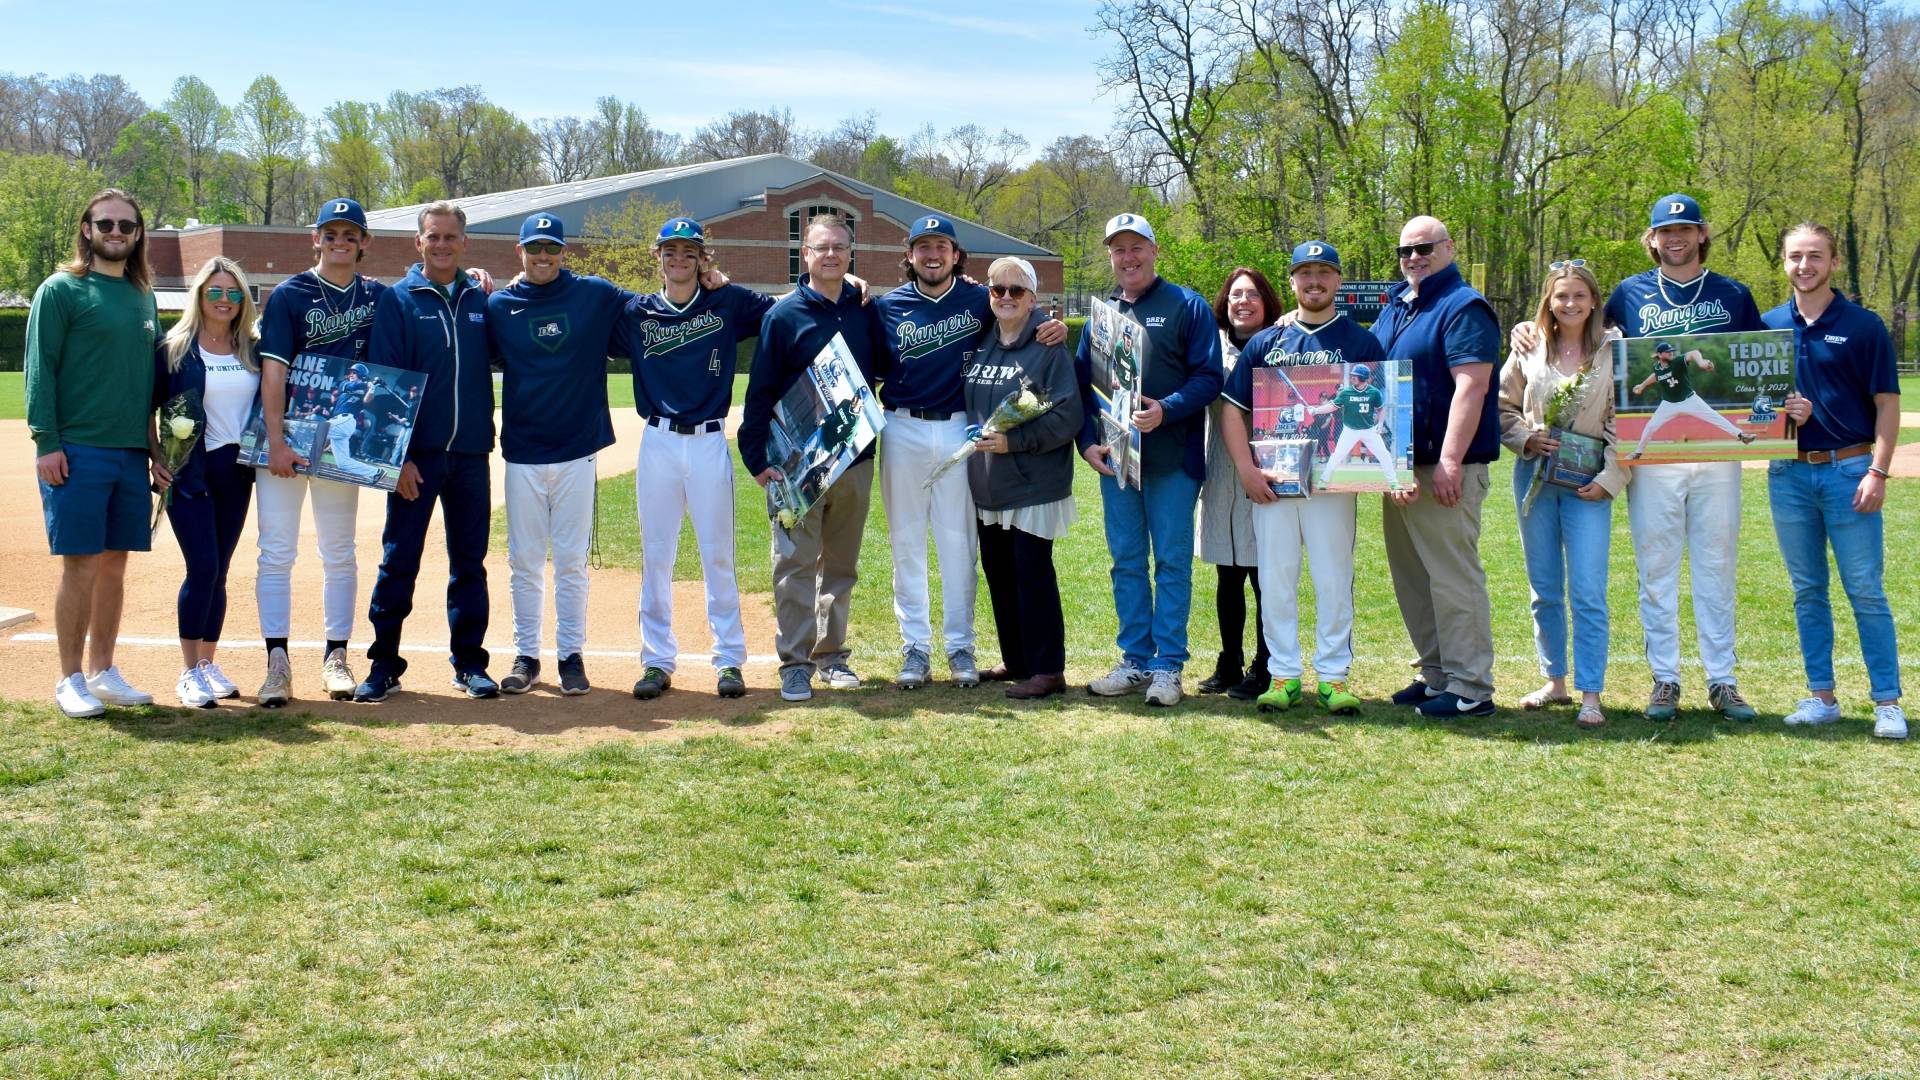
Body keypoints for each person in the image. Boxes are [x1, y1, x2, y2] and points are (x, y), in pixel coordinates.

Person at [1511, 193, 1761, 722]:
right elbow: (1578, 328)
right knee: (1656, 568)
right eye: (1665, 231)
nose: (1675, 238)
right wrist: (1526, 327)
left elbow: (1761, 362)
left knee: (1717, 565)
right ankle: (1665, 679)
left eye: (1685, 230)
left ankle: (1723, 680)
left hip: (1717, 455)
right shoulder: (1629, 294)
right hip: (1651, 459)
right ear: (1652, 239)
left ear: (1701, 234)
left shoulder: (1734, 294)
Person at [871, 214, 1067, 690]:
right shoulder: (885, 306)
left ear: (956, 255)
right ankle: (915, 647)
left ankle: (961, 645)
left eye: (942, 246)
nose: (932, 254)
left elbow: (1018, 306)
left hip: (961, 427)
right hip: (902, 426)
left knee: (959, 542)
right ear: (909, 255)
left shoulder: (980, 298)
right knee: (906, 543)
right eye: (923, 246)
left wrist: (1052, 325)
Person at [617, 216, 780, 701]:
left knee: (718, 554)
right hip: (658, 441)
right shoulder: (636, 311)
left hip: (709, 440)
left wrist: (842, 279)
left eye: (689, 252)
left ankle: (728, 659)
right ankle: (656, 660)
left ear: (702, 258)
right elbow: (577, 301)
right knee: (656, 555)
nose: (679, 259)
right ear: (658, 257)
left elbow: (785, 311)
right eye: (670, 251)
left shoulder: (726, 302)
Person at [737, 213, 892, 702]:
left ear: (850, 254)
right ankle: (795, 663)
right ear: (805, 254)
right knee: (794, 564)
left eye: (839, 247)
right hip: (796, 465)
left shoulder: (867, 311)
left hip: (855, 459)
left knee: (841, 566)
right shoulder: (783, 316)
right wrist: (755, 456)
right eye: (821, 247)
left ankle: (831, 655)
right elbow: (760, 391)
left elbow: (886, 369)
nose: (830, 255)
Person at [1217, 242, 1375, 717]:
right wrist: (1246, 470)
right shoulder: (1268, 342)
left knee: (1333, 577)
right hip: (1276, 482)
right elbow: (1232, 410)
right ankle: (1283, 674)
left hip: (1333, 481)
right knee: (1276, 578)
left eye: (1323, 271)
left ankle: (1333, 676)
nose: (1314, 281)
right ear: (1292, 281)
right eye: (1305, 272)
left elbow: (1384, 408)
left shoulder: (1361, 342)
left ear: (1338, 280)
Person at [1074, 213, 1223, 707]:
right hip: (1117, 460)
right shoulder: (1101, 315)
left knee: (1172, 563)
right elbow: (1080, 386)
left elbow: (1209, 377)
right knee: (1127, 561)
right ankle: (1135, 659)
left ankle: (1168, 666)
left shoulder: (1186, 305)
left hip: (1171, 460)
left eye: (1136, 247)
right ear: (1110, 256)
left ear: (1154, 251)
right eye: (1118, 249)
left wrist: (1167, 409)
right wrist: (1086, 442)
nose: (1128, 257)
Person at [1763, 222, 1905, 739]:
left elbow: (1887, 404)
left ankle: (1887, 702)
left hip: (1850, 472)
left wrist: (1877, 471)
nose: (1805, 266)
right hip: (1789, 475)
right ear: (1784, 262)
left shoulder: (1864, 326)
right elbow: (1752, 406)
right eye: (1795, 256)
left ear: (1834, 262)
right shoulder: (1768, 325)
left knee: (1865, 590)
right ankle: (1821, 696)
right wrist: (1782, 412)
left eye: (1815, 256)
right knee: (1807, 590)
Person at [25, 188, 160, 717]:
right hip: (78, 449)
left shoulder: (142, 295)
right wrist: (46, 442)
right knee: (80, 565)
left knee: (114, 566)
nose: (116, 233)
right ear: (87, 229)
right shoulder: (60, 290)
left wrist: (155, 450)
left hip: (129, 453)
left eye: (126, 225)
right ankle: (70, 677)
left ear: (138, 233)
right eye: (106, 224)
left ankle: (103, 671)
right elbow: (41, 369)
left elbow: (146, 382)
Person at [356, 202, 499, 701]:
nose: (441, 245)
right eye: (432, 236)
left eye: (450, 237)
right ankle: (384, 665)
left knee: (470, 563)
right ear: (418, 242)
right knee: (399, 560)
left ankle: (470, 663)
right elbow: (383, 382)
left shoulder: (480, 299)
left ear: (465, 242)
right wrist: (396, 459)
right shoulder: (398, 300)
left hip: (471, 454)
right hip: (417, 459)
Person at [252, 197, 387, 706]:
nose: (339, 242)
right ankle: (277, 663)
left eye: (350, 234)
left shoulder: (376, 296)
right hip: (289, 434)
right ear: (316, 238)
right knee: (276, 551)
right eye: (331, 233)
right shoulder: (290, 294)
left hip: (341, 432)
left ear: (364, 242)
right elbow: (274, 371)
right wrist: (276, 442)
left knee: (339, 551)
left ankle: (336, 657)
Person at [487, 212, 624, 697]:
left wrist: (712, 278)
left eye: (551, 247)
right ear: (519, 251)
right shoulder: (500, 305)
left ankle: (571, 655)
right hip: (523, 450)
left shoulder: (594, 294)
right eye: (534, 247)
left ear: (564, 252)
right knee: (524, 560)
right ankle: (526, 656)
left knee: (570, 561)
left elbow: (659, 307)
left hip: (576, 450)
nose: (542, 255)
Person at [1374, 216, 1502, 717]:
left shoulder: (1463, 305)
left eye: (1424, 248)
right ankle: (1436, 675)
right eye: (1405, 251)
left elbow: (1472, 386)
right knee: (1414, 579)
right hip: (1402, 467)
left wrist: (1449, 460)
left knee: (1452, 578)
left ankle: (1471, 687)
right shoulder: (1398, 306)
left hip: (1445, 467)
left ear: (1449, 247)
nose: (1413, 258)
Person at [1497, 260, 1627, 729]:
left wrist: (1610, 478)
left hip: (1588, 486)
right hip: (1534, 479)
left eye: (1579, 296)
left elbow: (1625, 420)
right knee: (1544, 588)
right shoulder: (1529, 347)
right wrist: (1525, 438)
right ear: (1549, 302)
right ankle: (1555, 681)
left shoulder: (1615, 350)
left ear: (1594, 302)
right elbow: (1503, 407)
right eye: (1561, 296)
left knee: (1588, 590)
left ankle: (1592, 692)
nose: (1570, 304)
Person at [964, 256, 1083, 700]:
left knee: (1032, 573)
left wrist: (1014, 442)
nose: (1007, 297)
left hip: (1034, 482)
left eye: (1017, 290)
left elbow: (1068, 416)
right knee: (999, 572)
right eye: (999, 289)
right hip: (990, 482)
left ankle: (1048, 669)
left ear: (1033, 299)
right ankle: (1016, 659)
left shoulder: (1048, 346)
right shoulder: (983, 339)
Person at [153, 256, 261, 708]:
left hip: (237, 471)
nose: (224, 299)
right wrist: (156, 458)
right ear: (199, 295)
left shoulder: (252, 348)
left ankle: (207, 663)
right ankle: (188, 670)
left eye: (233, 292)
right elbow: (146, 405)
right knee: (202, 567)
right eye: (215, 291)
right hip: (189, 471)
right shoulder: (174, 348)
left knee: (220, 570)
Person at [1196, 268, 1278, 699]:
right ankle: (1229, 661)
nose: (1242, 302)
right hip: (1220, 473)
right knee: (1227, 576)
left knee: (1264, 577)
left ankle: (1265, 665)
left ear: (1267, 302)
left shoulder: (1282, 344)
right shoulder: (1210, 348)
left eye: (1252, 295)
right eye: (1235, 296)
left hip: (1266, 473)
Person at [1625, 342, 1756, 458]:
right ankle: (1637, 452)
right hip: (1668, 404)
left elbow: (1693, 353)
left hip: (1689, 400)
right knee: (1650, 426)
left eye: (1672, 351)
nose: (1671, 353)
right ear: (1659, 354)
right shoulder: (1657, 367)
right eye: (1667, 351)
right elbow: (1656, 376)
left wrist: (1702, 362)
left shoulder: (1677, 362)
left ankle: (1741, 436)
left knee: (1714, 416)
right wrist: (1642, 385)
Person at [1310, 364, 1401, 489]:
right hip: (1350, 430)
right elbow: (1332, 406)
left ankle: (1393, 482)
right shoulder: (1346, 393)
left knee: (1384, 454)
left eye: (1355, 376)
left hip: (1368, 430)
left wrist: (1380, 424)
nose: (1352, 377)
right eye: (1352, 375)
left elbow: (1381, 409)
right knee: (1337, 455)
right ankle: (1324, 480)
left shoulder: (1374, 392)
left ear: (1363, 378)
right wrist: (1316, 410)